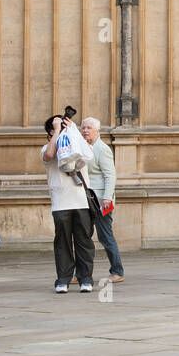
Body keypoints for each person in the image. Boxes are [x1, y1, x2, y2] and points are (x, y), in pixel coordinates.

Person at [42, 113, 95, 293]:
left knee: (84, 241)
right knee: (63, 242)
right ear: (50, 131)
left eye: (64, 127)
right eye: (57, 128)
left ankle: (85, 279)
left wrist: (72, 129)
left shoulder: (77, 144)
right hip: (61, 202)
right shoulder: (47, 147)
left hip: (81, 201)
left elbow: (87, 151)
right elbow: (49, 155)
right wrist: (58, 130)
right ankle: (63, 279)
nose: (63, 130)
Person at [80, 117, 122, 283]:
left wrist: (107, 198)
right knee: (82, 236)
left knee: (105, 236)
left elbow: (110, 175)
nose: (85, 130)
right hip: (84, 199)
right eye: (83, 128)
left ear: (97, 131)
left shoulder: (102, 149)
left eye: (89, 128)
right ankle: (81, 273)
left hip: (101, 200)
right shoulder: (81, 147)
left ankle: (117, 271)